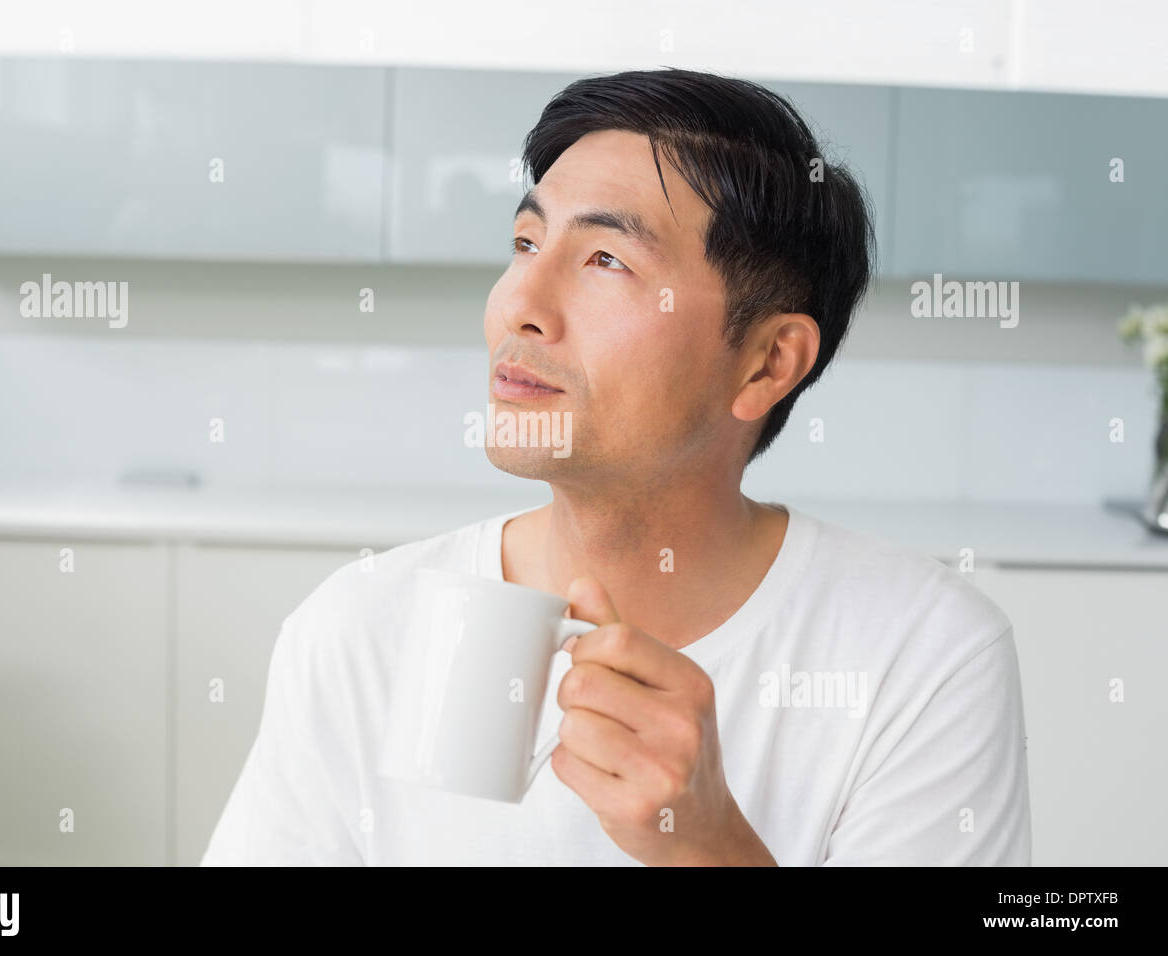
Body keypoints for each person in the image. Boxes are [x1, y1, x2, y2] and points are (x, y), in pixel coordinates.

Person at [202, 67, 1030, 866]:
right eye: (526, 242)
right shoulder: (359, 628)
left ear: (769, 363)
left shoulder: (922, 656)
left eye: (606, 261)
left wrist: (710, 850)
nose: (518, 306)